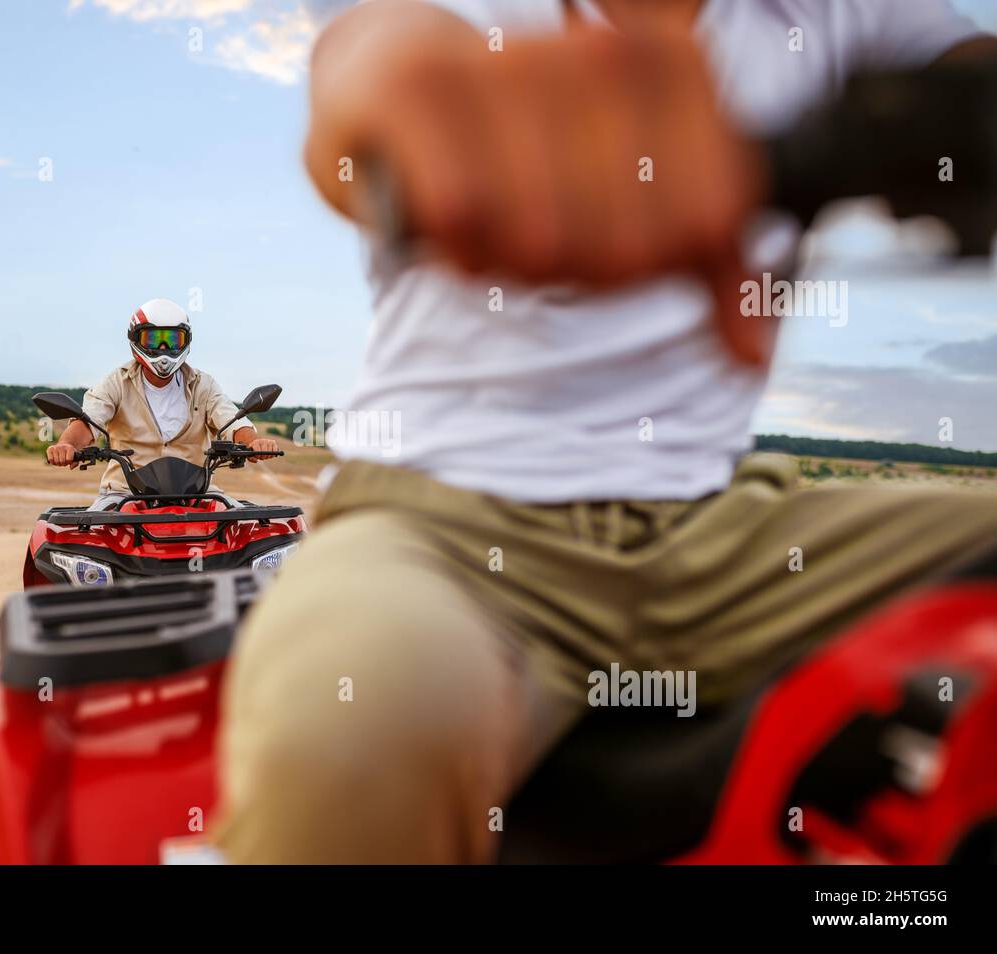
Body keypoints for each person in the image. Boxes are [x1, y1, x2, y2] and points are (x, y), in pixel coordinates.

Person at [214, 0, 997, 863]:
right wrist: (427, 105)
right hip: (445, 533)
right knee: (350, 741)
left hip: (716, 530)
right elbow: (372, 72)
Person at [46, 298, 279, 508]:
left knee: (247, 532)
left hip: (199, 493)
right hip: (124, 493)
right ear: (136, 339)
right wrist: (67, 445)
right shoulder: (116, 382)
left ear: (186, 341)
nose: (164, 349)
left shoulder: (203, 385)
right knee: (91, 538)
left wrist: (254, 443)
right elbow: (89, 421)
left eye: (172, 339)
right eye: (155, 339)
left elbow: (231, 421)